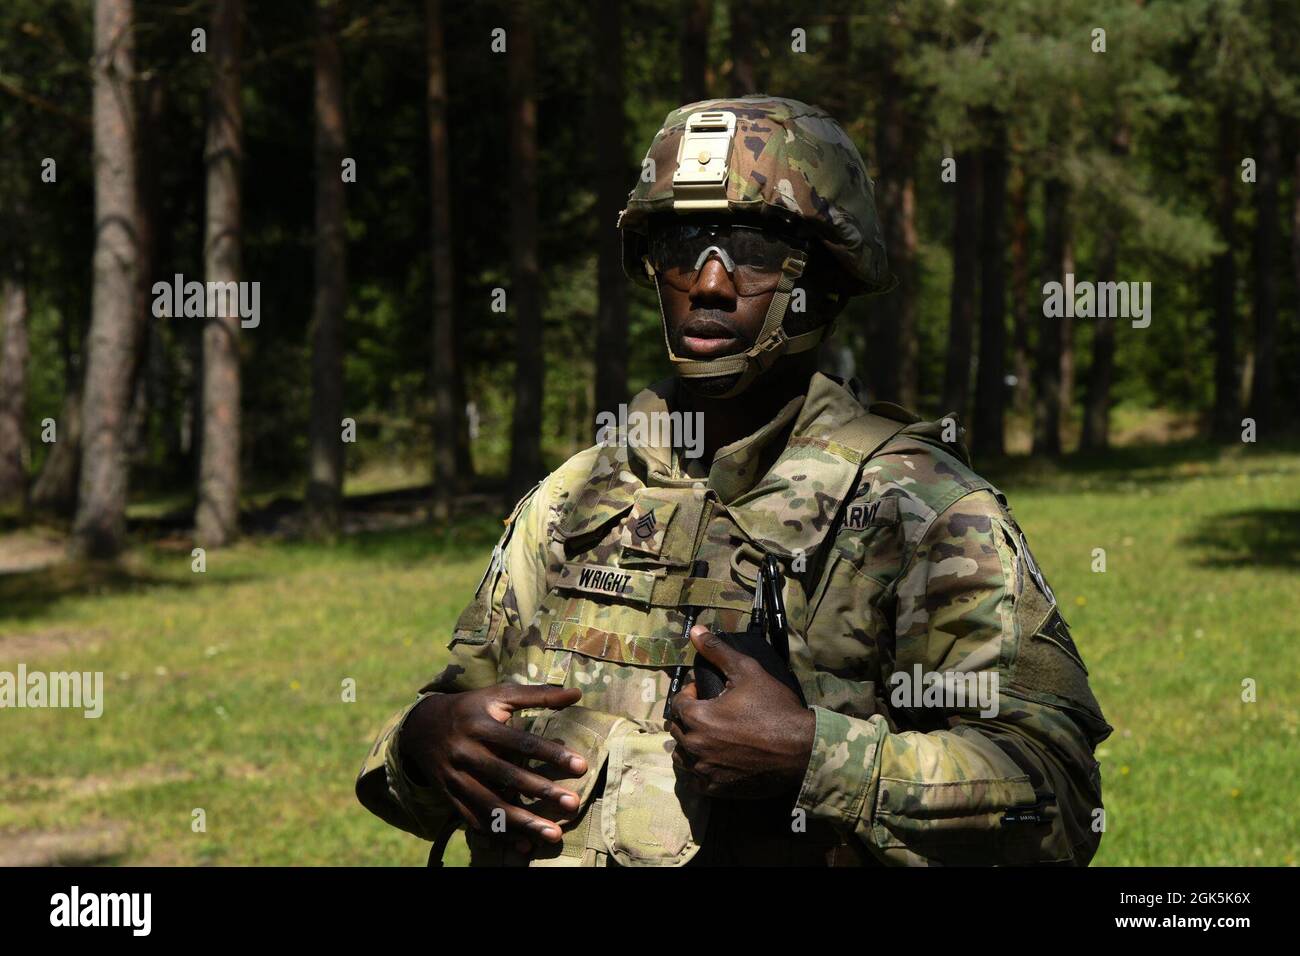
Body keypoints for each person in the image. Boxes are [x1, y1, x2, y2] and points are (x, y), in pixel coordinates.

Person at [356, 95, 1111, 866]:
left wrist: (816, 758)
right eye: (685, 247)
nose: (710, 285)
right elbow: (457, 722)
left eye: (752, 249)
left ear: (829, 276)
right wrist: (422, 742)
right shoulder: (574, 500)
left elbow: (1057, 799)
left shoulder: (922, 514)